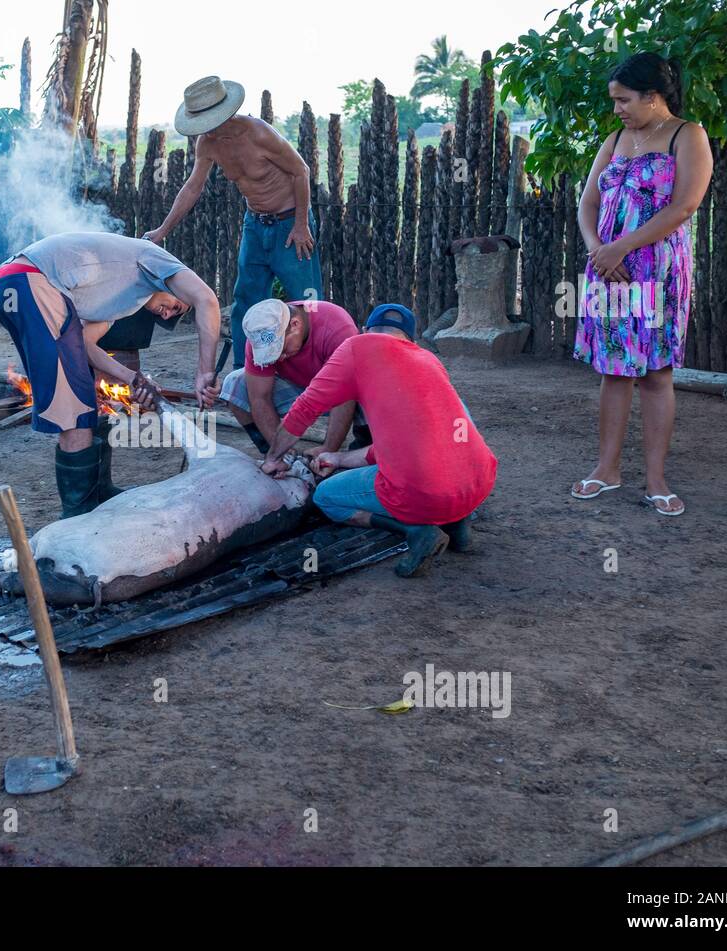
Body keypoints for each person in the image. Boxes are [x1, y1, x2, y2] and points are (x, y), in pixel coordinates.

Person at [0, 232, 221, 518]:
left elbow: (85, 344)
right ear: (171, 285)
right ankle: (78, 514)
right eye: (176, 306)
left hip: (10, 284)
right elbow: (207, 299)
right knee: (73, 408)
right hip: (31, 282)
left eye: (173, 316)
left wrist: (133, 379)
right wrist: (205, 372)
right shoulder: (156, 258)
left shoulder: (124, 296)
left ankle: (98, 491)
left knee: (88, 393)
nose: (169, 314)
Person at [571, 52, 712, 517]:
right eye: (614, 101)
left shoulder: (686, 135)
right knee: (615, 371)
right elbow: (587, 204)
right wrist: (599, 250)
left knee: (655, 374)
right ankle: (606, 470)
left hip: (658, 272)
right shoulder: (614, 140)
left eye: (624, 100)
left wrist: (622, 247)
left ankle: (656, 480)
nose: (617, 110)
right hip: (609, 269)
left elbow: (684, 206)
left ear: (654, 97)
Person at [260, 306, 497, 578]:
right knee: (440, 455)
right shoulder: (428, 360)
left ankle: (417, 531)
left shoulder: (356, 347)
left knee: (326, 498)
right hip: (478, 482)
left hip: (428, 491)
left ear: (364, 331)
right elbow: (404, 443)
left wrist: (273, 458)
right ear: (411, 341)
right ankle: (458, 524)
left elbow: (305, 409)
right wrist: (338, 458)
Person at [143, 75, 322, 370]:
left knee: (307, 303)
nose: (206, 129)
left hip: (290, 226)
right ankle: (245, 372)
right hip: (255, 226)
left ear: (224, 112)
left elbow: (300, 171)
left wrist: (301, 224)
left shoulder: (259, 134)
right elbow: (192, 187)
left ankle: (317, 374)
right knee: (246, 301)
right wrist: (162, 231)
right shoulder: (208, 143)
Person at [214, 297, 364, 454]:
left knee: (370, 386)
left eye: (281, 349)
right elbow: (259, 398)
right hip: (300, 388)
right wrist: (278, 454)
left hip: (342, 392)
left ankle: (363, 448)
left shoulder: (336, 326)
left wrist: (329, 449)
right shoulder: (259, 335)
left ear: (295, 325)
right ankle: (276, 453)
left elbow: (344, 395)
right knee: (235, 383)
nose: (280, 358)